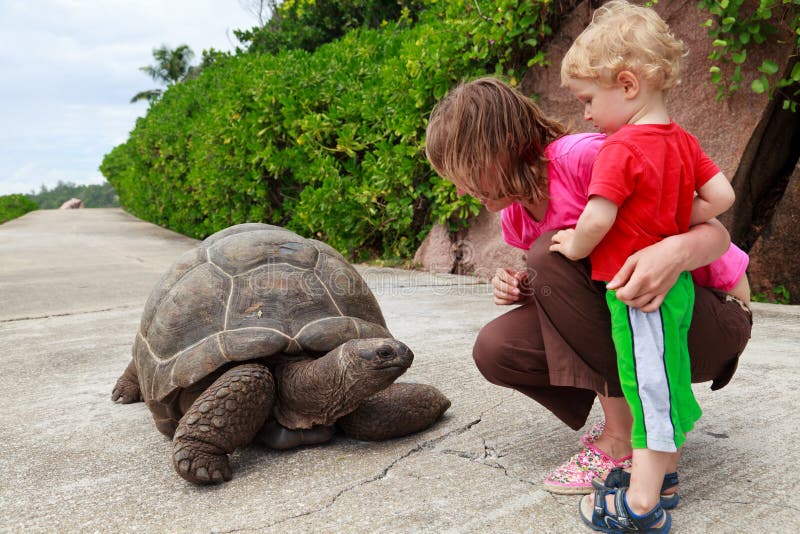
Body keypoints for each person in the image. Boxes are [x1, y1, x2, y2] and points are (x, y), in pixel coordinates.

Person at [425, 73, 751, 529]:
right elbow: (580, 285)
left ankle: (621, 439)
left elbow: (715, 229)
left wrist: (671, 253)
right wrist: (525, 285)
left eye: (465, 172)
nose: (461, 190)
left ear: (499, 147)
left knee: (551, 255)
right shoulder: (516, 218)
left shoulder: (586, 157)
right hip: (645, 317)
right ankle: (634, 426)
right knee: (498, 346)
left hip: (711, 311)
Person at [548, 1, 736, 530]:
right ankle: (667, 477)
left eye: (588, 100)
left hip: (635, 293)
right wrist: (681, 215)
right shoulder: (683, 141)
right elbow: (722, 194)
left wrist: (574, 249)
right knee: (668, 377)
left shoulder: (620, 147)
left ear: (627, 85)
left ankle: (642, 505)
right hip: (675, 291)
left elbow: (596, 217)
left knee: (647, 389)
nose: (585, 114)